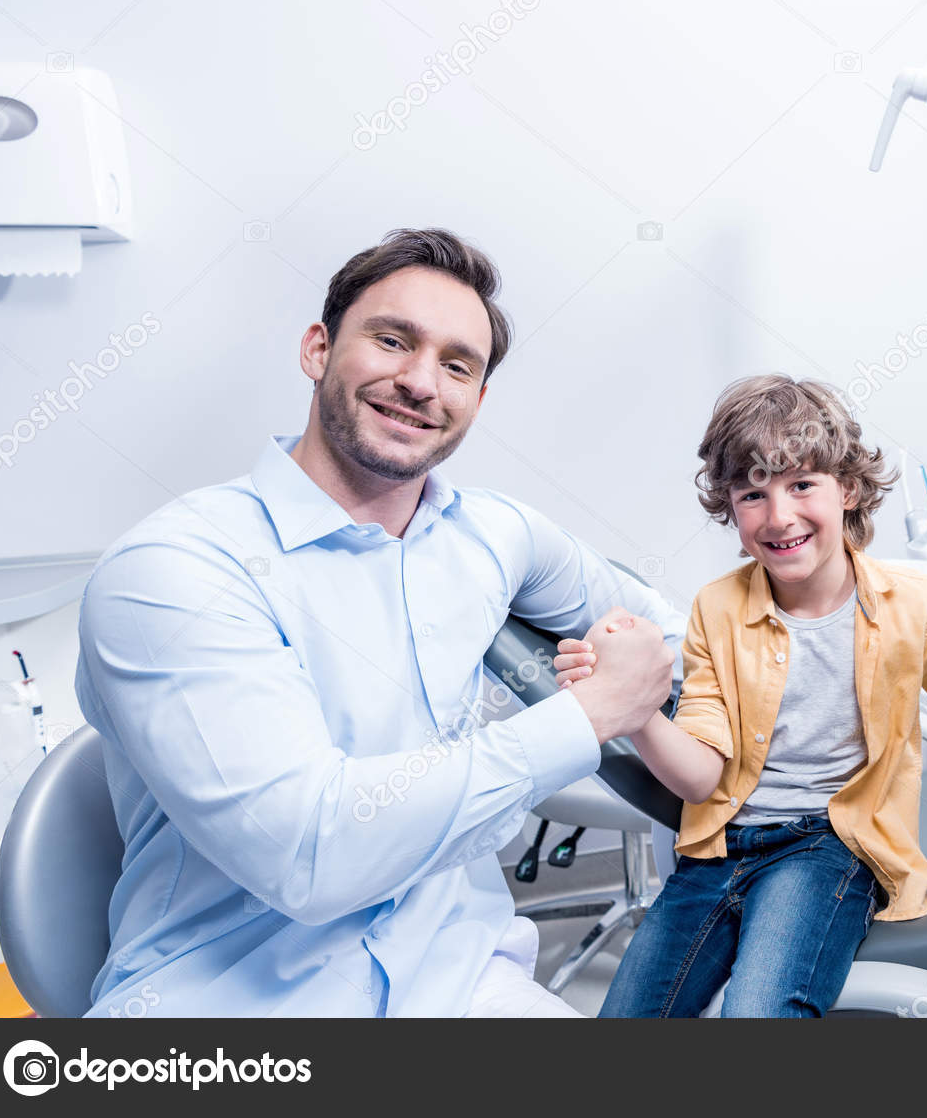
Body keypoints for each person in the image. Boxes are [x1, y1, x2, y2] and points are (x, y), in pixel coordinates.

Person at [74, 227, 680, 1017]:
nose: (422, 382)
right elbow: (312, 856)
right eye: (393, 340)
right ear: (319, 349)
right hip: (239, 1004)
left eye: (457, 365)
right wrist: (591, 715)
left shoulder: (497, 537)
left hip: (458, 979)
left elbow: (662, 635)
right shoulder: (174, 570)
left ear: (477, 399)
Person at [566, 374, 927, 1018]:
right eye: (753, 494)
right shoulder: (716, 609)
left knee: (756, 1013)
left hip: (829, 843)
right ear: (729, 507)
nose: (779, 516)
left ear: (849, 490)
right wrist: (635, 709)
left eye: (802, 484)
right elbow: (700, 780)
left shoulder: (913, 605)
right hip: (719, 845)